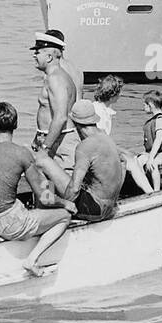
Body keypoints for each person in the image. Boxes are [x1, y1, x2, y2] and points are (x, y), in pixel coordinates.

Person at [0, 101, 75, 276]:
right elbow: (45, 197)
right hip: (12, 225)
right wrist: (65, 203)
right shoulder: (22, 153)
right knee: (64, 216)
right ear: (16, 125)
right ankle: (32, 260)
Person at [31, 99, 125, 231]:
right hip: (110, 206)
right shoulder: (105, 136)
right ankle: (49, 203)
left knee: (42, 161)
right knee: (59, 170)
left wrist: (66, 206)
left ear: (76, 124)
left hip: (95, 210)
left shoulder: (85, 146)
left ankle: (46, 209)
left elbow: (74, 188)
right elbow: (123, 162)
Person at [91, 75, 155, 195]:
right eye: (118, 93)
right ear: (112, 95)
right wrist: (122, 151)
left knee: (131, 158)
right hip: (98, 151)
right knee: (131, 160)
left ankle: (149, 191)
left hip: (101, 147)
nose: (120, 96)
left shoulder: (101, 108)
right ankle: (150, 193)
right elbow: (101, 140)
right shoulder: (99, 112)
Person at [31, 29, 80, 175]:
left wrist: (45, 148)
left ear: (49, 57)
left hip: (60, 142)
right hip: (52, 138)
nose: (34, 55)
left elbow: (60, 117)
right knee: (47, 191)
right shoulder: (54, 76)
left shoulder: (55, 78)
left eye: (38, 52)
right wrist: (39, 136)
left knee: (62, 188)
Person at [138, 89, 162, 191]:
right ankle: (146, 187)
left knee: (154, 164)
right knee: (138, 161)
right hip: (154, 152)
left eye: (145, 104)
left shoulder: (160, 120)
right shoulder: (154, 119)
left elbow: (158, 140)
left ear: (151, 105)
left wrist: (150, 158)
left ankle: (156, 191)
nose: (143, 106)